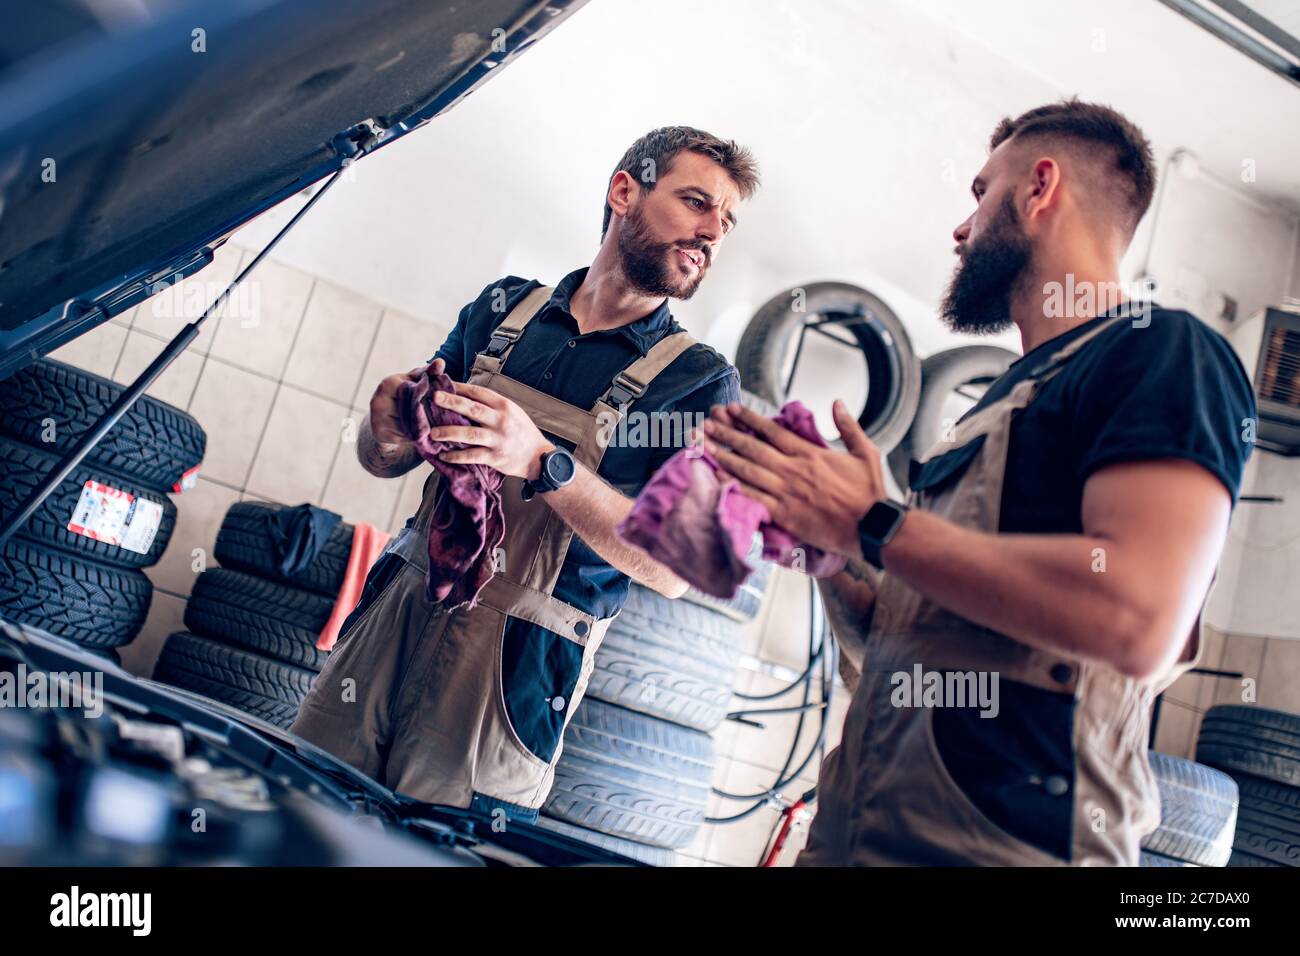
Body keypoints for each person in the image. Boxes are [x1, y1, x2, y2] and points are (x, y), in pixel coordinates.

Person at [699, 99, 1256, 865]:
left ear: (1039, 188)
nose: (960, 231)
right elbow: (907, 643)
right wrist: (830, 548)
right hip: (858, 838)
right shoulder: (995, 402)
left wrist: (874, 523)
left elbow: (1137, 613)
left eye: (978, 192)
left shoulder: (1160, 353)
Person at [291, 127, 759, 822]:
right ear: (625, 190)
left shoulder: (697, 383)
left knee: (430, 848)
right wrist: (384, 425)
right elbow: (380, 458)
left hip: (512, 667)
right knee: (301, 813)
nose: (711, 233)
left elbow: (674, 569)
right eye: (696, 202)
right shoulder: (502, 310)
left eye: (725, 221)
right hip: (399, 606)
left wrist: (544, 463)